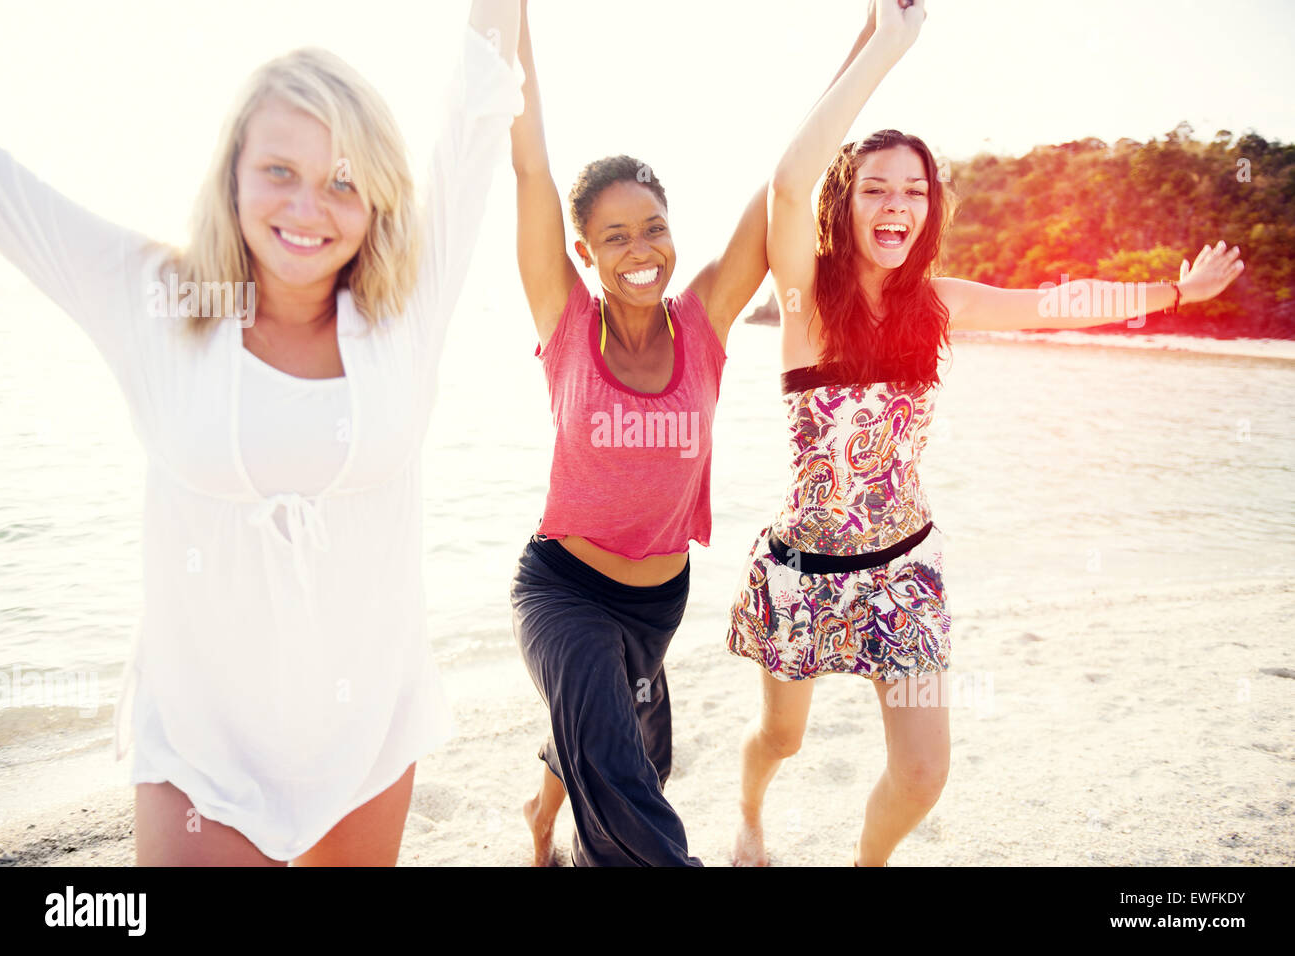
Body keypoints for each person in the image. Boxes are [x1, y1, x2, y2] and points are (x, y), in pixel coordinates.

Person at [0, 0, 523, 865]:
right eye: (280, 169)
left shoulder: (407, 310)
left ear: (377, 193)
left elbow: (475, 103)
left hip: (367, 738)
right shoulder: (152, 301)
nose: (309, 207)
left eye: (343, 180)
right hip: (201, 755)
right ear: (232, 173)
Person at [726, 0, 1245, 867]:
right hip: (806, 574)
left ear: (931, 209)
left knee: (925, 775)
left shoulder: (941, 305)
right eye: (876, 188)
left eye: (914, 191)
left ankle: (868, 865)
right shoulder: (806, 299)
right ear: (845, 203)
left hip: (906, 576)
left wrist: (1173, 295)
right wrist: (886, 49)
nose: (896, 205)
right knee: (782, 740)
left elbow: (1057, 306)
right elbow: (786, 181)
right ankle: (749, 815)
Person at [507, 1, 882, 866]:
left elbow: (791, 176)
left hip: (657, 604)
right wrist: (510, 14)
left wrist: (868, 44)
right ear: (585, 251)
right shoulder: (566, 321)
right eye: (614, 237)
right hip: (563, 589)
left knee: (632, 754)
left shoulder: (704, 322)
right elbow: (530, 165)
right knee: (617, 771)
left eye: (654, 228)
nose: (640, 250)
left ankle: (539, 819)